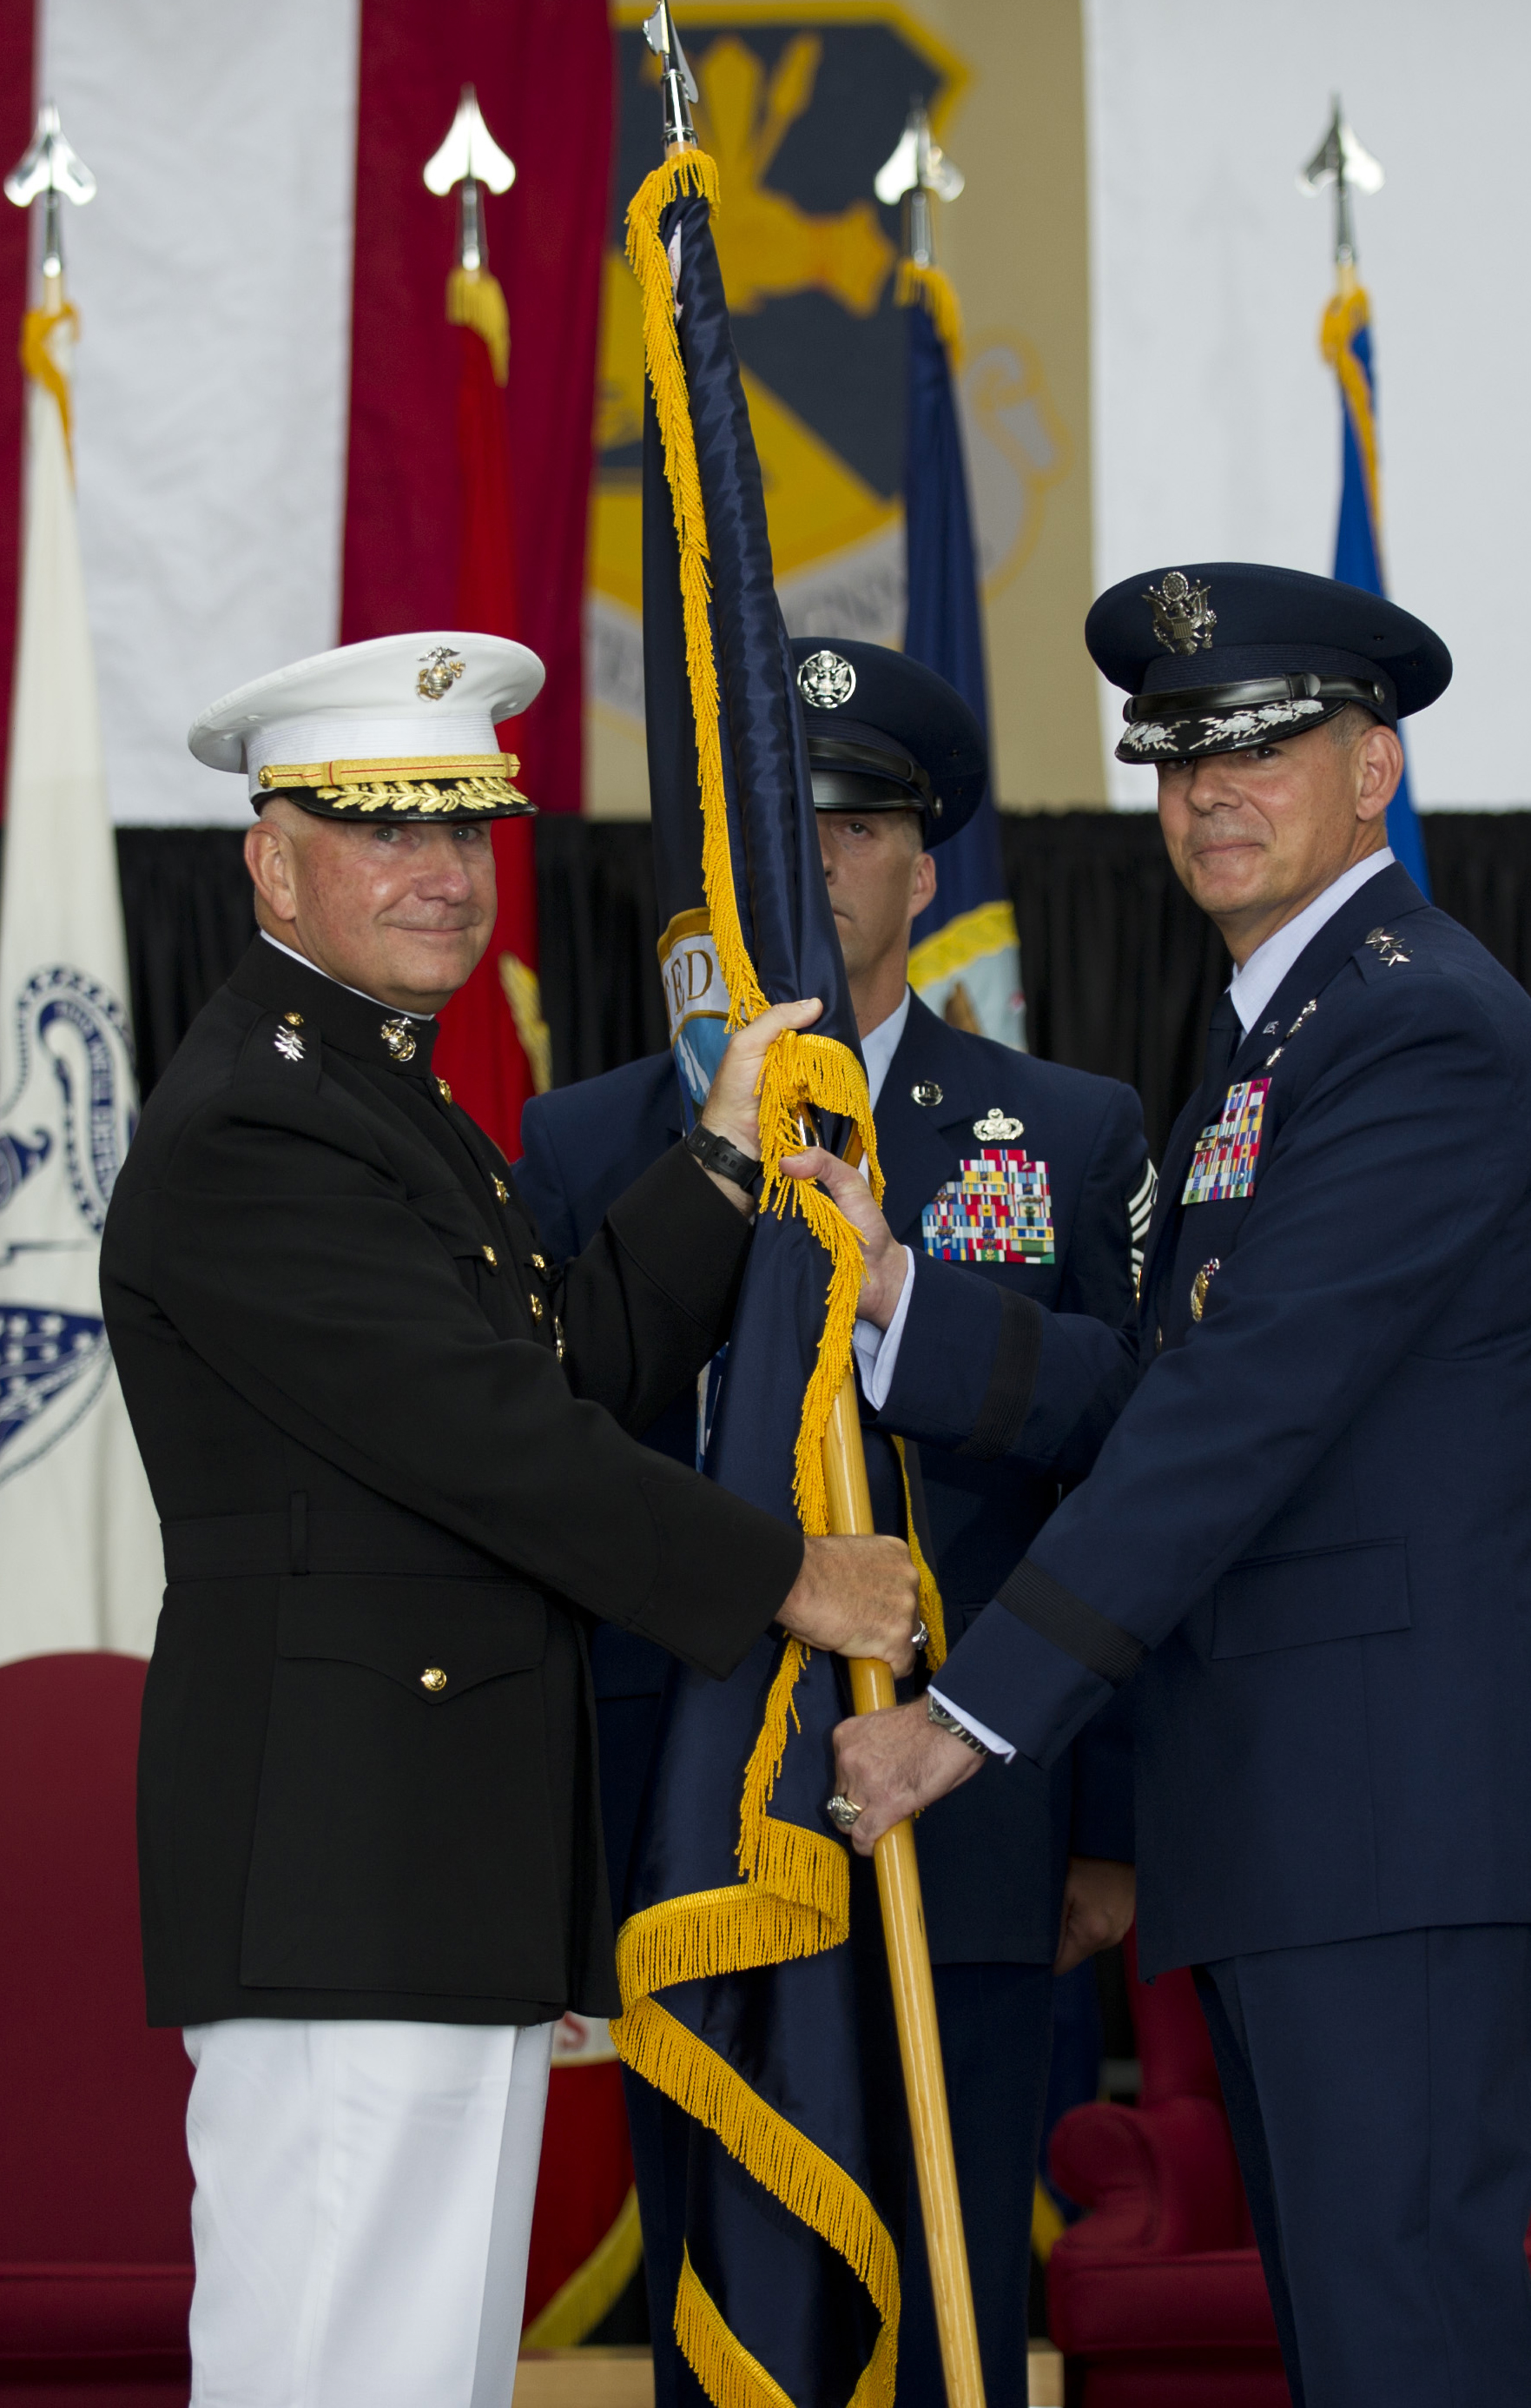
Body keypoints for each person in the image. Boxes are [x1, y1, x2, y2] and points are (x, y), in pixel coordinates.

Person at [822, 565, 1531, 2408]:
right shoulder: (1288, 1032)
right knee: (1359, 2349)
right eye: (1181, 754)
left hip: (1390, 1808)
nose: (1212, 791)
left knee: (1406, 2347)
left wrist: (968, 1719)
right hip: (1311, 1813)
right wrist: (900, 1302)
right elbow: (1175, 1378)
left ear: (1378, 767)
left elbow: (1238, 1417)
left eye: (1264, 749)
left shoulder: (1416, 1026)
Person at [99, 632, 917, 2408]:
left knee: (429, 2374)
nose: (443, 874)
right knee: (338, 2368)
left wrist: (710, 1158)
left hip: (421, 1863)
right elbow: (492, 1443)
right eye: (386, 829)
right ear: (270, 857)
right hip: (344, 1866)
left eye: (467, 834)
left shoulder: (380, 1094)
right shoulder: (259, 1124)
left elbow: (567, 1361)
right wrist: (791, 1580)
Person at [515, 638, 1149, 2408]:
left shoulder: (1066, 1130)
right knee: (722, 2278)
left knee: (954, 2302)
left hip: (971, 1810)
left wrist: (1109, 1821)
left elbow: (1136, 1452)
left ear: (923, 870)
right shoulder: (590, 1140)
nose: (811, 875)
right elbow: (545, 1459)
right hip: (689, 1797)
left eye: (851, 831)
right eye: (772, 840)